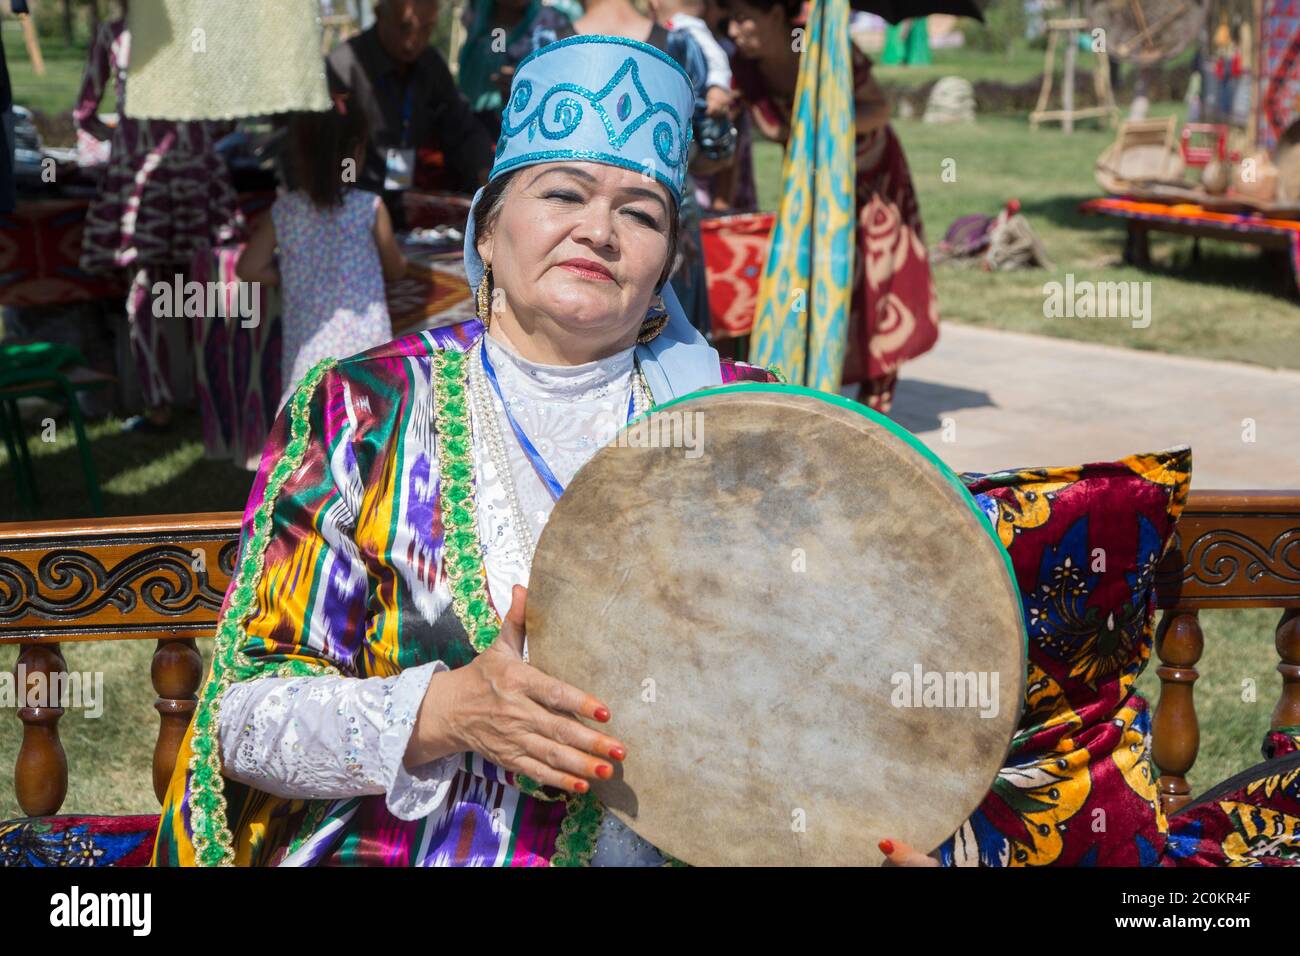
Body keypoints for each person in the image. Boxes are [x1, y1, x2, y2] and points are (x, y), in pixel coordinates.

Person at [151, 34, 781, 867]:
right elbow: (240, 719)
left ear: (665, 260)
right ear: (486, 232)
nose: (599, 230)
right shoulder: (366, 409)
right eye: (564, 193)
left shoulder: (743, 416)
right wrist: (441, 713)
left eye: (640, 212)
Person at [725, 0, 938, 413]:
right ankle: (817, 379)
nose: (734, 30)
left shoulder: (826, 45)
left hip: (871, 175)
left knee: (876, 278)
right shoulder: (746, 67)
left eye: (743, 17)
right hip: (813, 185)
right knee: (820, 276)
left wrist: (826, 124)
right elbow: (771, 128)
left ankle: (879, 395)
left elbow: (880, 109)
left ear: (774, 14)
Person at [75, 0, 243, 432]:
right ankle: (211, 402)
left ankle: (160, 406)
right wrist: (196, 140)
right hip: (193, 181)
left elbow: (85, 113)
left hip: (141, 182)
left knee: (146, 296)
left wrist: (127, 140)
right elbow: (228, 114)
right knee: (199, 293)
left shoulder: (114, 36)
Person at [235, 105, 406, 411]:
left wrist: (290, 273)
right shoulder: (370, 207)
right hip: (367, 356)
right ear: (357, 151)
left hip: (309, 362)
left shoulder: (285, 211)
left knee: (308, 441)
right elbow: (395, 269)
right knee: (370, 441)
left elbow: (248, 267)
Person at [326, 0, 494, 225]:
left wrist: (486, 177)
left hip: (405, 203)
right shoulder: (344, 66)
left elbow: (462, 126)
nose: (413, 41)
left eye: (426, 29)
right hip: (350, 208)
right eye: (405, 27)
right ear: (379, 14)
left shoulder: (430, 63)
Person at [457, 0, 575, 139]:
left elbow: (564, 91)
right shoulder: (478, 13)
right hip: (468, 131)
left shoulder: (552, 25)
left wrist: (528, 88)